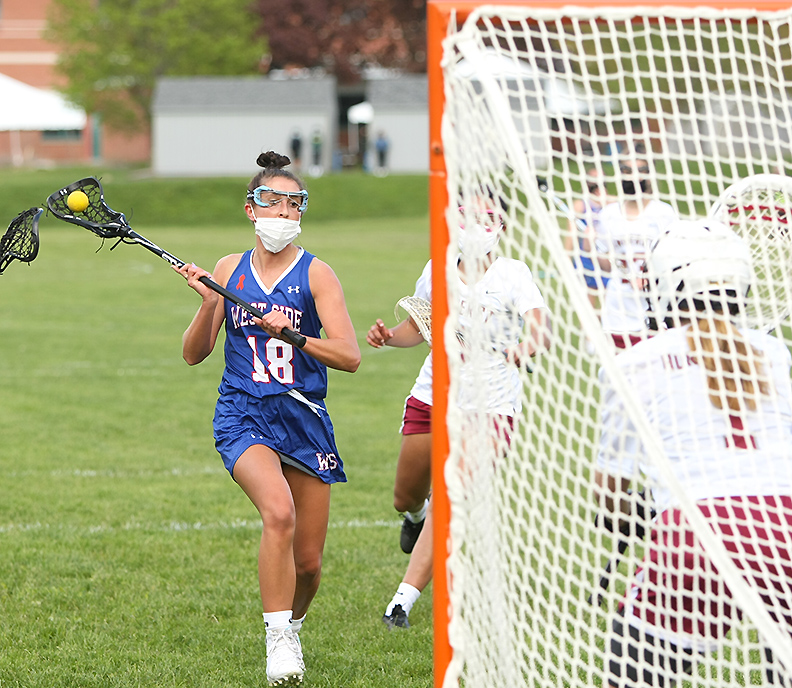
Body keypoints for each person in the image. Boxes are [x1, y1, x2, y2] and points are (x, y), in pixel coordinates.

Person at [175, 151, 360, 686]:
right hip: (243, 411)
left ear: (301, 212)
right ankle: (277, 640)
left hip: (303, 417)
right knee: (277, 513)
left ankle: (293, 624)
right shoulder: (229, 268)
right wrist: (209, 300)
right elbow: (193, 353)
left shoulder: (318, 275)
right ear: (251, 209)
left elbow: (349, 356)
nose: (282, 211)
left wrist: (294, 335)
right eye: (271, 200)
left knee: (309, 565)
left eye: (292, 203)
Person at [593, 219, 792, 686]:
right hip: (788, 523)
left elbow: (609, 493)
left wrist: (632, 517)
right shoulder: (775, 352)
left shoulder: (636, 361)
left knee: (631, 674)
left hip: (699, 533)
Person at [368, 194, 552, 628]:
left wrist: (526, 346)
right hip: (434, 396)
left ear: (501, 224)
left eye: (486, 215)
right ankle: (413, 518)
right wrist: (387, 336)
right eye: (467, 214)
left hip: (492, 404)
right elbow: (418, 327)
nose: (476, 222)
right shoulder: (437, 269)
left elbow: (541, 327)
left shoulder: (513, 275)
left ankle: (401, 603)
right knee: (406, 496)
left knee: (449, 497)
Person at [595, 158, 678, 349]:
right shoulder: (608, 215)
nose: (632, 177)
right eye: (627, 170)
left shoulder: (664, 213)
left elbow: (673, 261)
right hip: (618, 312)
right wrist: (596, 244)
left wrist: (649, 278)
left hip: (654, 310)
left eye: (639, 171)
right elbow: (605, 266)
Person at [563, 166, 611, 311]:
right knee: (589, 306)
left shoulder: (610, 204)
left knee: (609, 303)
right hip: (586, 259)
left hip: (605, 258)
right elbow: (571, 235)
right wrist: (567, 258)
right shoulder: (581, 204)